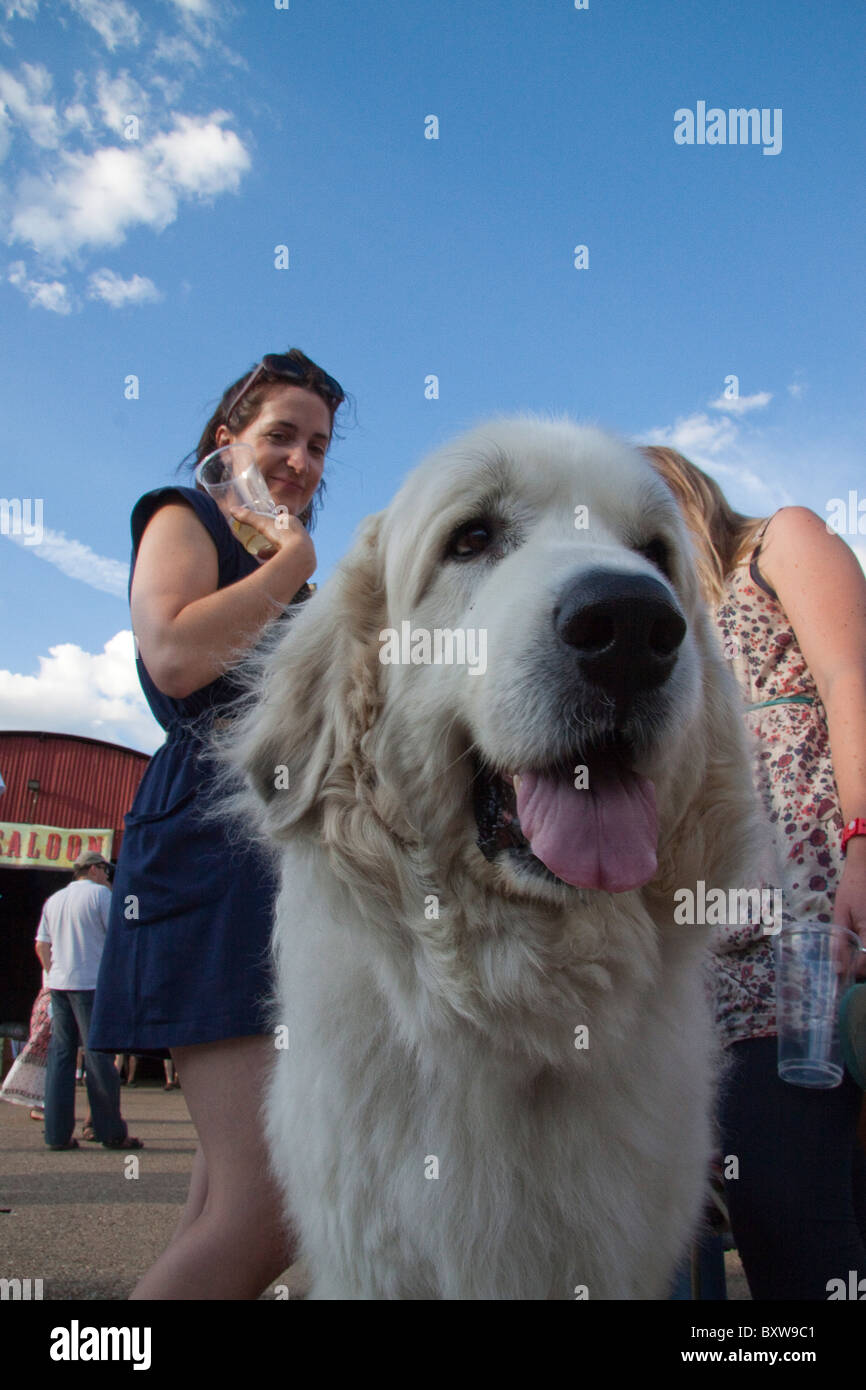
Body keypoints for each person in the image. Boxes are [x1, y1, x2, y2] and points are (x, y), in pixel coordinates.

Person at [89, 348, 345, 1299]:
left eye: (318, 446)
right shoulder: (182, 514)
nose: (302, 461)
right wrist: (302, 562)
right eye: (281, 435)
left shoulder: (282, 568)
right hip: (210, 843)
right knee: (271, 1208)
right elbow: (175, 654)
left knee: (220, 1199)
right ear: (225, 438)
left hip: (276, 854)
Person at [644, 445, 866, 1301]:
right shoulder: (675, 642)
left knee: (789, 1211)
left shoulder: (782, 543)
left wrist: (861, 840)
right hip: (720, 966)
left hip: (818, 928)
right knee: (783, 1205)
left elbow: (852, 677)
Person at [36, 851, 141, 1151]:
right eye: (106, 870)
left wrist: (53, 973)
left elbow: (42, 946)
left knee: (61, 1057)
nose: (109, 876)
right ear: (94, 869)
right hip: (91, 984)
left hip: (59, 984)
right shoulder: (101, 896)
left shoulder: (54, 900)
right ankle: (111, 1132)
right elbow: (120, 937)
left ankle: (56, 1135)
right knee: (99, 1058)